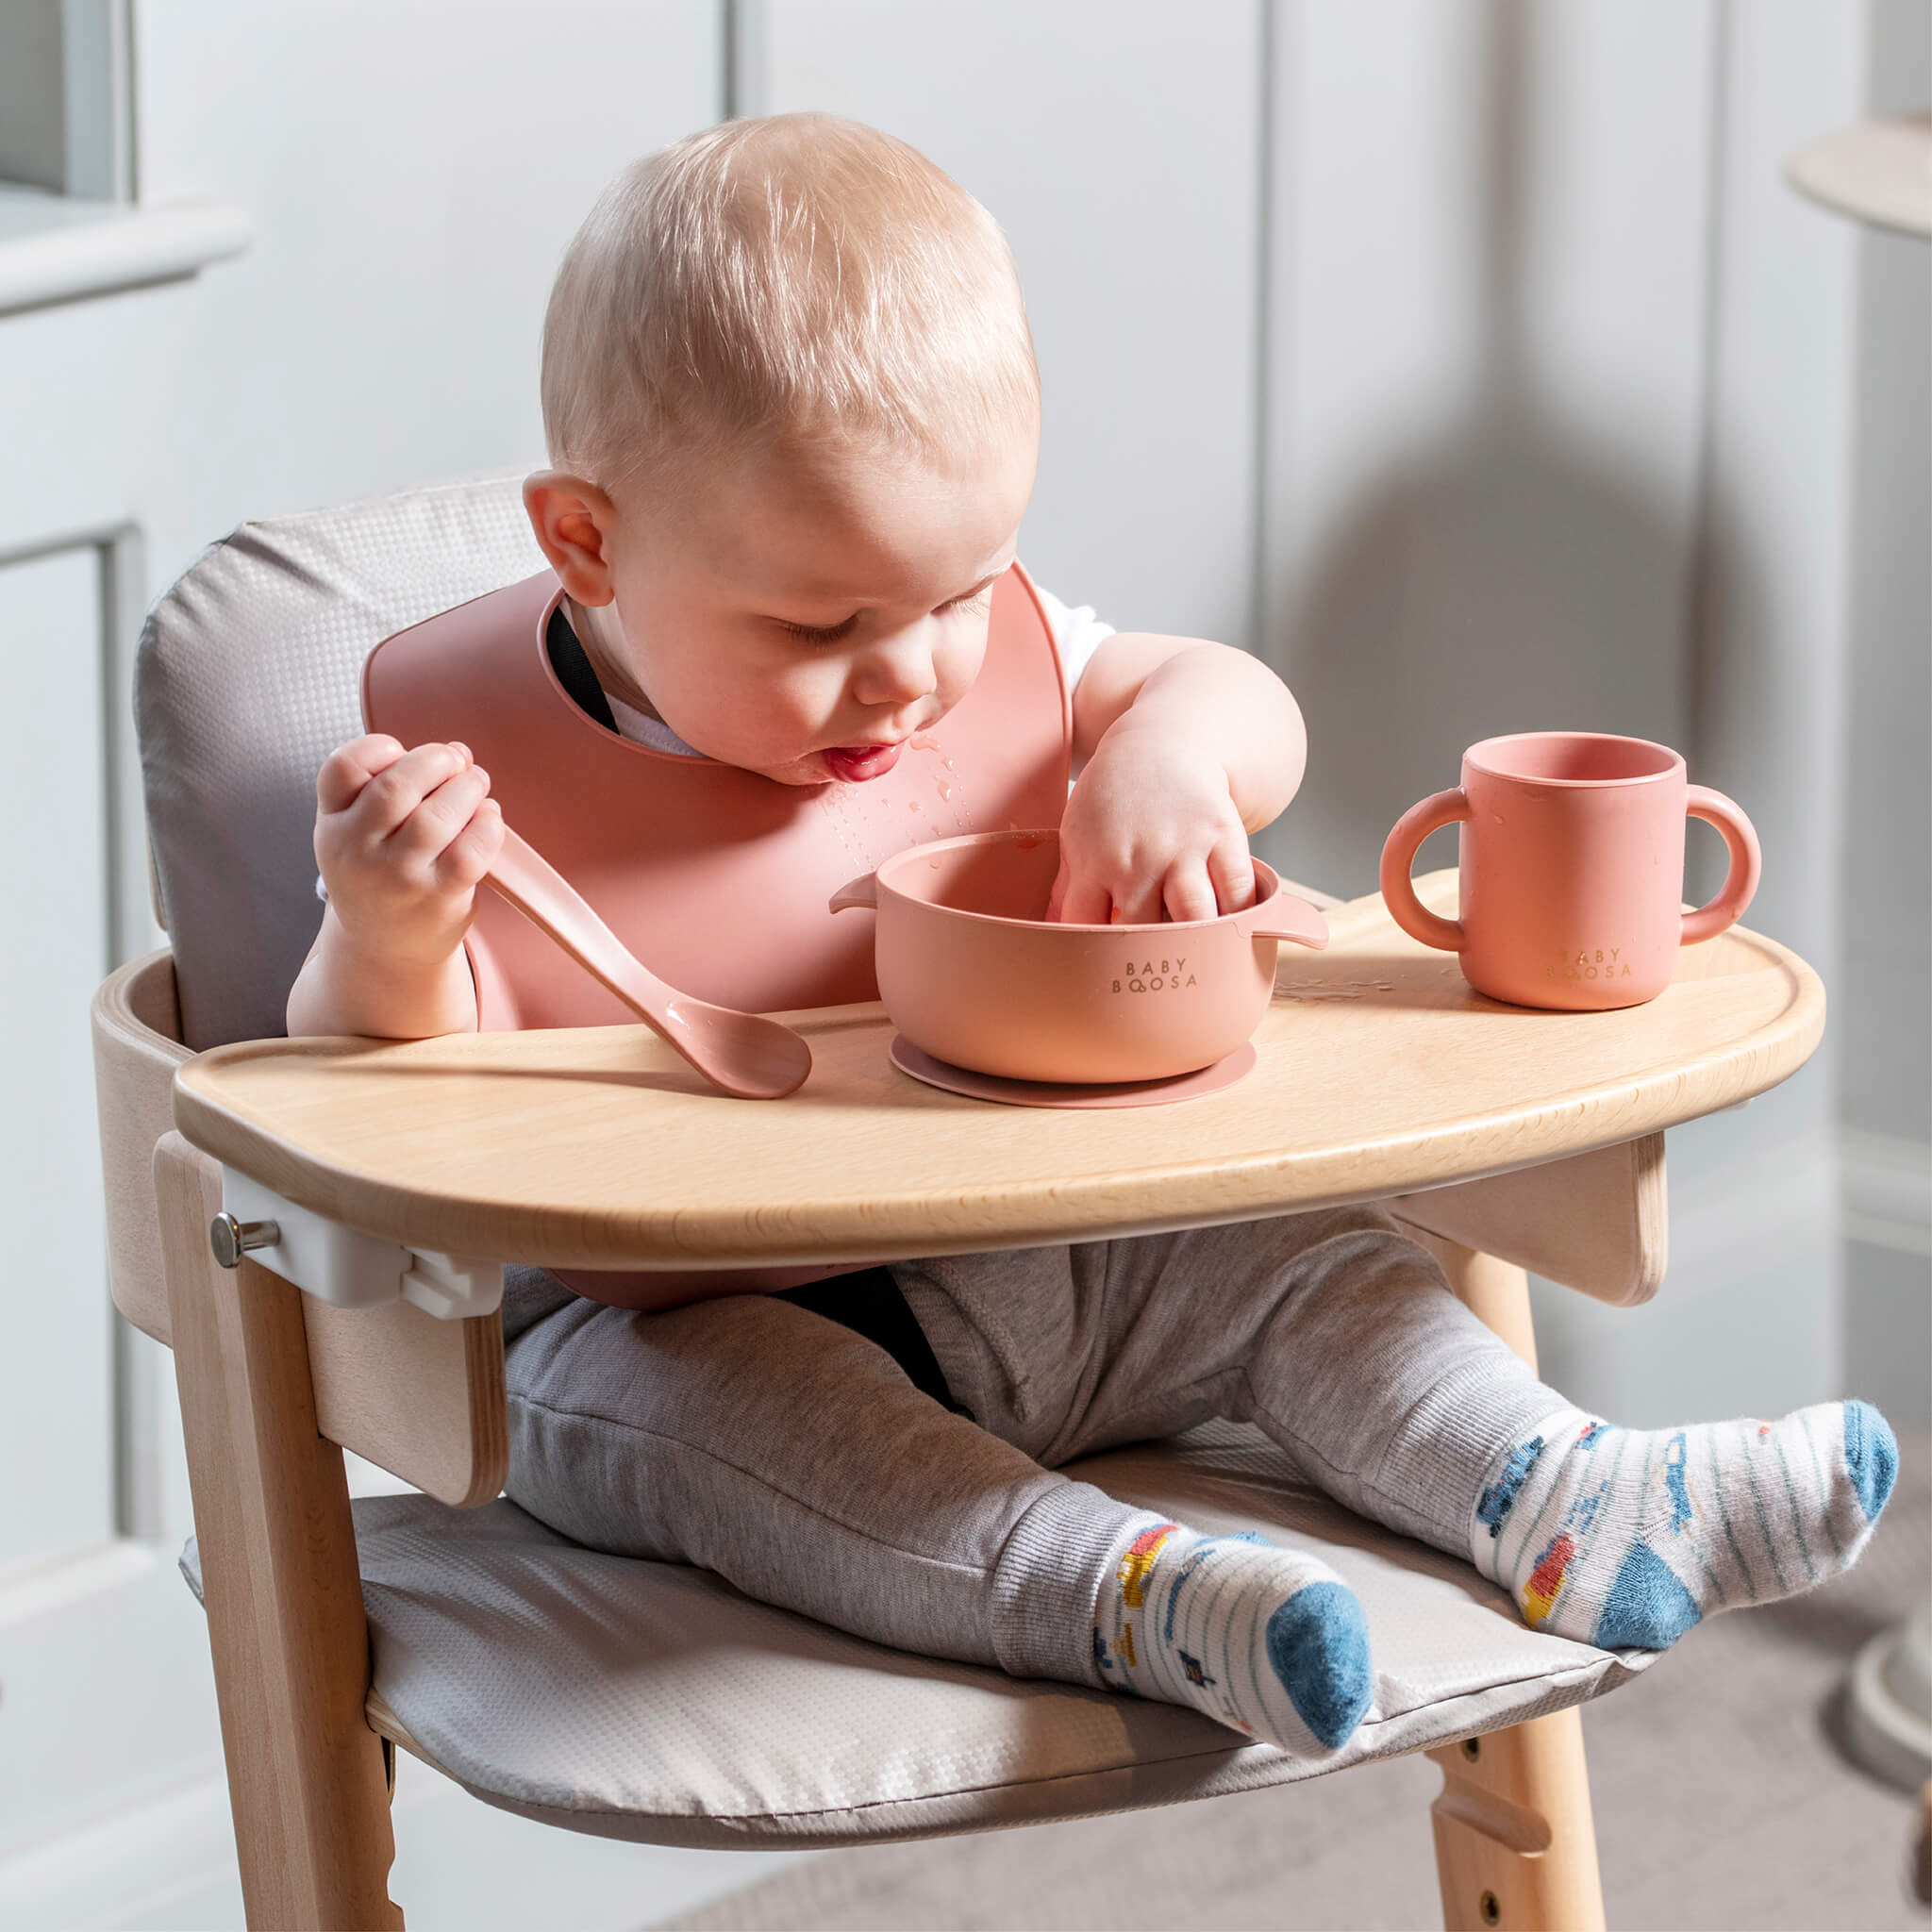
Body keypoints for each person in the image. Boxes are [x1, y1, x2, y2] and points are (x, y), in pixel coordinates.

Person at [287, 114, 1895, 1757]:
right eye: (821, 625)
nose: (912, 675)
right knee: (707, 1422)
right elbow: (379, 1085)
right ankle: (1133, 1598)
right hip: (678, 1321)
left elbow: (1241, 702)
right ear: (588, 544)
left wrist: (1165, 753)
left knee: (1310, 1262)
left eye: (964, 589)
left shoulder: (1005, 661)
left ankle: (1561, 1487)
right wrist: (391, 922)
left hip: (1059, 1261)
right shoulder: (469, 779)